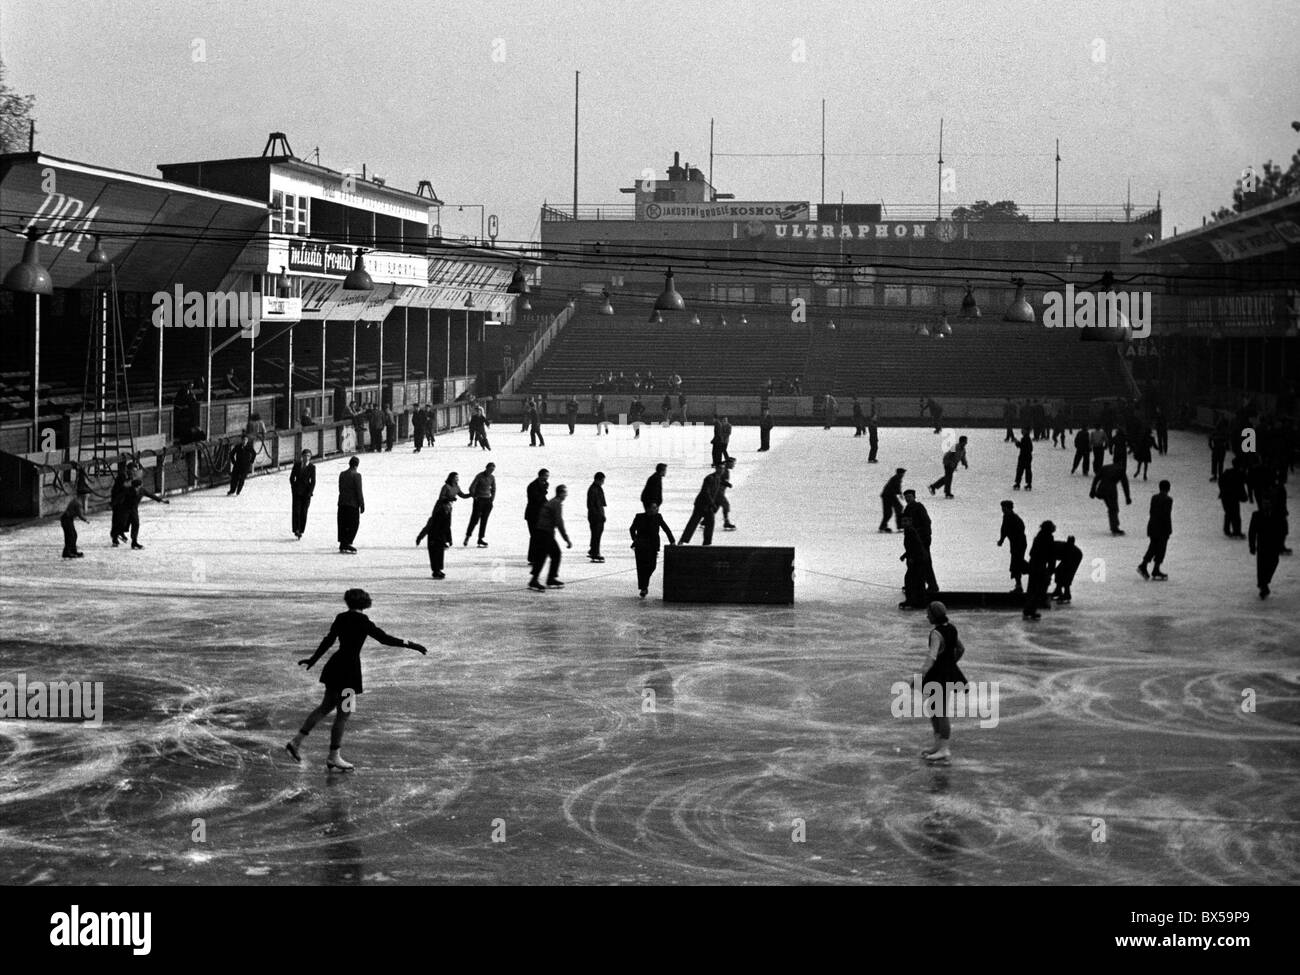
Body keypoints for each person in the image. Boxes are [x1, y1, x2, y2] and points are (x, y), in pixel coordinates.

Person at [286, 589, 428, 771]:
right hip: (349, 673)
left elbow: (329, 640)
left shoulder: (341, 617)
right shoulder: (363, 621)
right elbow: (385, 639)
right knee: (343, 714)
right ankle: (333, 756)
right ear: (365, 602)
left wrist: (313, 660)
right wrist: (412, 644)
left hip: (334, 667)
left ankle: (296, 742)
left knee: (325, 707)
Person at [915, 601, 967, 762]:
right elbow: (961, 649)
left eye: (928, 613)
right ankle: (938, 745)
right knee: (933, 708)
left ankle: (944, 749)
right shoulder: (951, 628)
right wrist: (951, 664)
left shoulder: (936, 633)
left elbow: (932, 656)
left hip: (938, 675)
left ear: (934, 615)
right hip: (946, 673)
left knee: (940, 711)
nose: (927, 616)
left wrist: (921, 675)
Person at [417, 473, 470, 579]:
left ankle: (438, 570)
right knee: (435, 552)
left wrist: (472, 494)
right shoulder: (445, 488)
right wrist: (420, 537)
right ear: (451, 478)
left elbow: (462, 495)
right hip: (434, 534)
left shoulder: (456, 487)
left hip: (441, 530)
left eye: (458, 478)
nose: (457, 480)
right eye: (455, 478)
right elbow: (441, 498)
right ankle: (436, 571)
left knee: (440, 551)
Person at [529, 484, 572, 591]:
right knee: (543, 556)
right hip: (544, 533)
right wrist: (566, 539)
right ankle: (535, 580)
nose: (566, 495)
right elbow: (559, 522)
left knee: (555, 554)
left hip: (544, 532)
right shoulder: (556, 503)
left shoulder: (554, 502)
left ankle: (550, 578)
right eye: (565, 493)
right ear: (560, 493)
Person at [630, 500, 676, 597]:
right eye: (654, 507)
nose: (656, 509)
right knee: (641, 568)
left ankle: (644, 585)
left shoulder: (658, 517)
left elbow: (666, 529)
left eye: (656, 508)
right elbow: (632, 529)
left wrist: (672, 541)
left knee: (652, 566)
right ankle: (643, 588)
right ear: (648, 509)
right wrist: (636, 540)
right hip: (641, 546)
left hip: (652, 546)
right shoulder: (639, 517)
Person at [1249, 496, 1285, 598]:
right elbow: (1252, 532)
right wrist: (1252, 546)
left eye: (1268, 503)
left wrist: (1281, 544)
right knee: (1261, 566)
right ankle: (1263, 585)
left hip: (1274, 545)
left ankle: (1265, 582)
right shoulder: (1256, 515)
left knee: (1273, 562)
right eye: (1264, 503)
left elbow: (1281, 530)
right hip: (1262, 545)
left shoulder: (1276, 515)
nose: (1266, 505)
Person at [121, 473, 169, 549]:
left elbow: (150, 495)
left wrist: (161, 500)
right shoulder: (128, 491)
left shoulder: (142, 490)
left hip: (133, 510)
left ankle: (134, 542)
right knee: (125, 524)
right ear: (136, 486)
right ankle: (118, 534)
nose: (140, 487)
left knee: (136, 524)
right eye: (139, 486)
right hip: (125, 509)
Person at [1138, 480, 1173, 580]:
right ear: (1168, 488)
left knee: (1153, 546)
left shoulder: (1154, 498)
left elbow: (1152, 512)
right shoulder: (1168, 500)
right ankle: (1154, 568)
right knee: (1161, 548)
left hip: (1153, 526)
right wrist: (1169, 529)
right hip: (1162, 528)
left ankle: (1145, 565)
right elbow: (1166, 515)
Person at [679, 467, 723, 545]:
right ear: (717, 469)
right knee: (693, 523)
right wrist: (712, 503)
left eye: (723, 469)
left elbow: (716, 493)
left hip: (709, 506)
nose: (723, 470)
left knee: (710, 523)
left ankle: (707, 543)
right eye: (721, 468)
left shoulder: (718, 478)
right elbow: (705, 492)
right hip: (701, 505)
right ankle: (683, 540)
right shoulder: (709, 478)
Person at [1023, 520, 1057, 620]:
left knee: (1032, 589)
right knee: (1039, 589)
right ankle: (1032, 610)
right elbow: (1051, 555)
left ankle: (1028, 610)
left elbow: (1031, 553)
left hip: (1033, 565)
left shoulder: (1038, 537)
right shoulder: (1049, 538)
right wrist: (1051, 570)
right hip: (1040, 566)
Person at [1090, 462, 1130, 535]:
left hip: (1101, 489)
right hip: (1111, 490)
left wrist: (1092, 490)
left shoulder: (1105, 467)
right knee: (1113, 509)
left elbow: (1096, 478)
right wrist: (1127, 497)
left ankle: (1114, 525)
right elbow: (1125, 484)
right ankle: (1114, 527)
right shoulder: (1121, 470)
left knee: (1112, 508)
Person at [997, 500, 1027, 593]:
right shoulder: (1008, 517)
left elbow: (1006, 530)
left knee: (1016, 564)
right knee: (1017, 563)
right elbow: (1004, 529)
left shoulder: (1013, 518)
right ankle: (1019, 585)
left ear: (1009, 508)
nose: (1002, 510)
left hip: (1019, 544)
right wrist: (1002, 540)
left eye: (1004, 508)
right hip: (1016, 544)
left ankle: (1020, 585)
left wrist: (1002, 540)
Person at [464, 462, 496, 548]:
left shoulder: (492, 477)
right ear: (486, 468)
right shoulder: (479, 476)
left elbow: (494, 489)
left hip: (487, 501)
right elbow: (471, 487)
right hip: (479, 500)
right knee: (475, 519)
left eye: (493, 470)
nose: (491, 471)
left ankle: (480, 538)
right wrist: (474, 496)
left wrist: (491, 499)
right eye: (490, 469)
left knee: (484, 520)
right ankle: (468, 536)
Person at [337, 455, 364, 553]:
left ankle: (342, 543)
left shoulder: (342, 474)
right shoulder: (357, 475)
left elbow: (340, 488)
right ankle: (347, 542)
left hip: (342, 503)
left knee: (343, 524)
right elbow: (359, 491)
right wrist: (362, 504)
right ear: (357, 465)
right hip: (352, 504)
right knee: (354, 524)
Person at [289, 448, 316, 538]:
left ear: (310, 457)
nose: (306, 458)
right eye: (304, 456)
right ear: (302, 456)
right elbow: (292, 478)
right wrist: (293, 488)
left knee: (304, 512)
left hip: (306, 493)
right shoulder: (297, 465)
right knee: (296, 511)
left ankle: (301, 530)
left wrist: (310, 492)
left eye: (308, 456)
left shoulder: (312, 467)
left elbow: (313, 481)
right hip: (297, 492)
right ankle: (296, 529)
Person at [1219, 457, 1248, 538]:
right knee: (1235, 514)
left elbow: (1221, 482)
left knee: (1229, 513)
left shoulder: (1227, 472)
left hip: (1226, 496)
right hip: (1233, 497)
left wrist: (1222, 491)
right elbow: (1243, 485)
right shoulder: (1240, 474)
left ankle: (1228, 530)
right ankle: (1236, 531)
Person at [525, 468, 550, 558]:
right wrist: (544, 490)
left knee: (538, 536)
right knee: (534, 536)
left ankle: (535, 556)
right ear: (541, 475)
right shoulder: (533, 486)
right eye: (546, 476)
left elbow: (543, 500)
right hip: (532, 514)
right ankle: (533, 557)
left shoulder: (542, 485)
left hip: (539, 515)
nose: (547, 478)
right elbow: (536, 499)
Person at [1051, 535, 1084, 602]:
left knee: (1066, 574)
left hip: (1075, 556)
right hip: (1069, 555)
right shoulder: (1053, 546)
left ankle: (1066, 594)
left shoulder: (1052, 548)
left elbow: (1052, 562)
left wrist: (1051, 570)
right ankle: (1058, 590)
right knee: (1059, 571)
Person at [60, 491, 90, 558]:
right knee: (70, 536)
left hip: (68, 519)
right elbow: (80, 514)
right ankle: (67, 552)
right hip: (66, 519)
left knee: (73, 535)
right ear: (83, 496)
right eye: (86, 497)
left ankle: (72, 551)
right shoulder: (78, 503)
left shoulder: (76, 500)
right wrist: (86, 520)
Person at [879, 467, 906, 533]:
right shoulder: (897, 479)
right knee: (899, 508)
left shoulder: (896, 478)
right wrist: (900, 494)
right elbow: (896, 488)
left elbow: (896, 488)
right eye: (903, 473)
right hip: (889, 496)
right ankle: (900, 527)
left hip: (887, 495)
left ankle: (883, 527)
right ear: (900, 473)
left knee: (888, 513)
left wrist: (900, 494)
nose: (904, 475)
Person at [587, 472, 607, 562]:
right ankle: (595, 553)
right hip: (595, 516)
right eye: (602, 480)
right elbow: (591, 505)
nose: (603, 482)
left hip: (597, 515)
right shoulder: (593, 490)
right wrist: (598, 515)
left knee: (596, 534)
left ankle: (593, 550)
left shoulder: (597, 488)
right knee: (596, 535)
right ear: (597, 480)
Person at [1209, 417, 1230, 481]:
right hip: (1221, 449)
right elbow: (1227, 440)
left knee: (1215, 462)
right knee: (1220, 462)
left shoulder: (1215, 431)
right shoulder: (1225, 432)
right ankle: (1220, 475)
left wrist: (1211, 447)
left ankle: (1215, 475)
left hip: (1216, 448)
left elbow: (1210, 439)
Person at [867, 399, 880, 463]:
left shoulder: (873, 424)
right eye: (875, 417)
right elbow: (873, 433)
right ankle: (871, 458)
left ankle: (872, 458)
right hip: (873, 438)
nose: (876, 417)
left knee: (874, 448)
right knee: (874, 448)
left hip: (873, 438)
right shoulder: (872, 424)